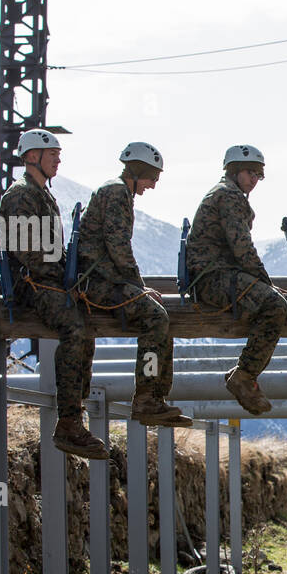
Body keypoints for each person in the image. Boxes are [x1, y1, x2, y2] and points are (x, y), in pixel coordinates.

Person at [0, 129, 107, 460]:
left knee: (86, 326)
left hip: (47, 280)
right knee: (73, 328)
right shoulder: (20, 196)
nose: (58, 159)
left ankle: (75, 415)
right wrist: (63, 276)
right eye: (52, 154)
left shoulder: (41, 194)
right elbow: (31, 253)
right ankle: (69, 422)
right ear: (32, 157)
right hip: (33, 286)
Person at [75, 142, 191, 427]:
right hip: (98, 283)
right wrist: (139, 287)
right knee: (154, 317)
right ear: (139, 171)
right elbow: (118, 247)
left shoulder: (116, 190)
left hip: (100, 278)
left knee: (157, 315)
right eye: (152, 177)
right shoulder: (117, 193)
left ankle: (155, 397)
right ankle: (147, 400)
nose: (152, 185)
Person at [184, 144, 287, 415]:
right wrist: (266, 283)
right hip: (213, 277)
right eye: (250, 173)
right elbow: (243, 249)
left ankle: (245, 374)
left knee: (270, 300)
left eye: (259, 175)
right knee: (275, 305)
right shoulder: (229, 196)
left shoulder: (225, 193)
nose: (255, 179)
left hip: (213, 274)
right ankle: (245, 375)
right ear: (234, 171)